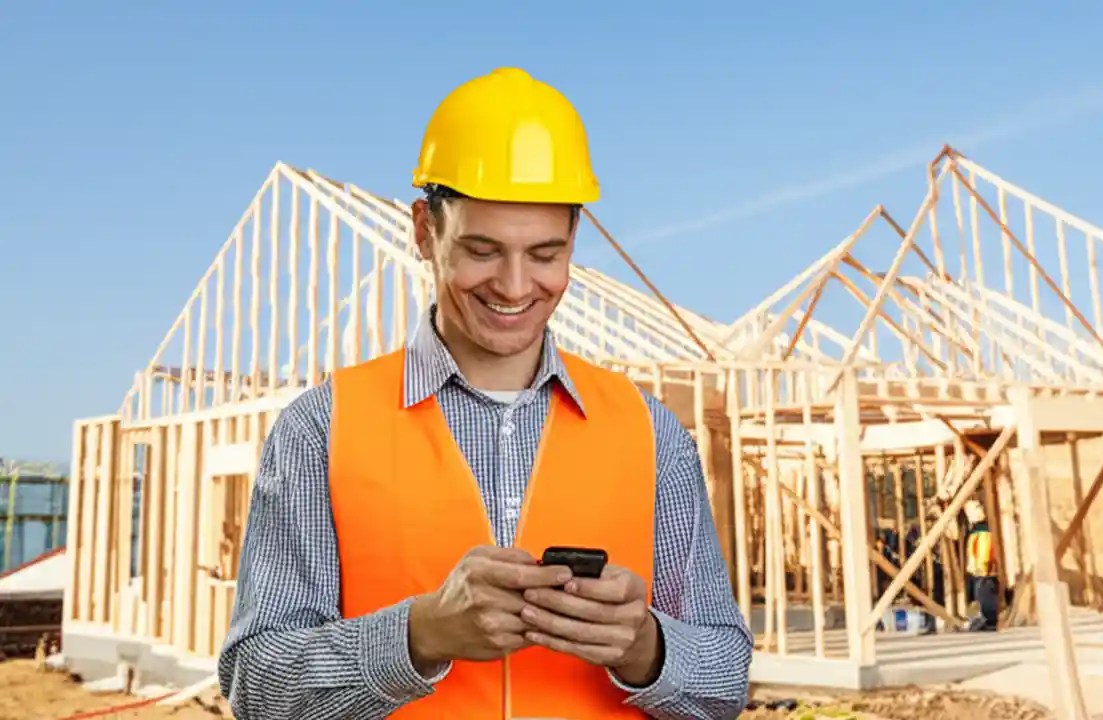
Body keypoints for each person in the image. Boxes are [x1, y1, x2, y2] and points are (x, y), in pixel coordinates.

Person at [216, 66, 754, 719]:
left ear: (573, 241)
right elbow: (257, 689)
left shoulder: (649, 431)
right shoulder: (323, 429)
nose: (515, 286)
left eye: (545, 255)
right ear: (424, 230)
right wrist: (418, 636)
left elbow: (726, 680)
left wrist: (645, 648)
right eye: (482, 250)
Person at [963, 500, 999, 632]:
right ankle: (983, 619)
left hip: (982, 571)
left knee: (983, 596)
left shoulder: (981, 532)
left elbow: (983, 552)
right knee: (978, 597)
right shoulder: (976, 532)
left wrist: (983, 567)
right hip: (977, 570)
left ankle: (989, 620)